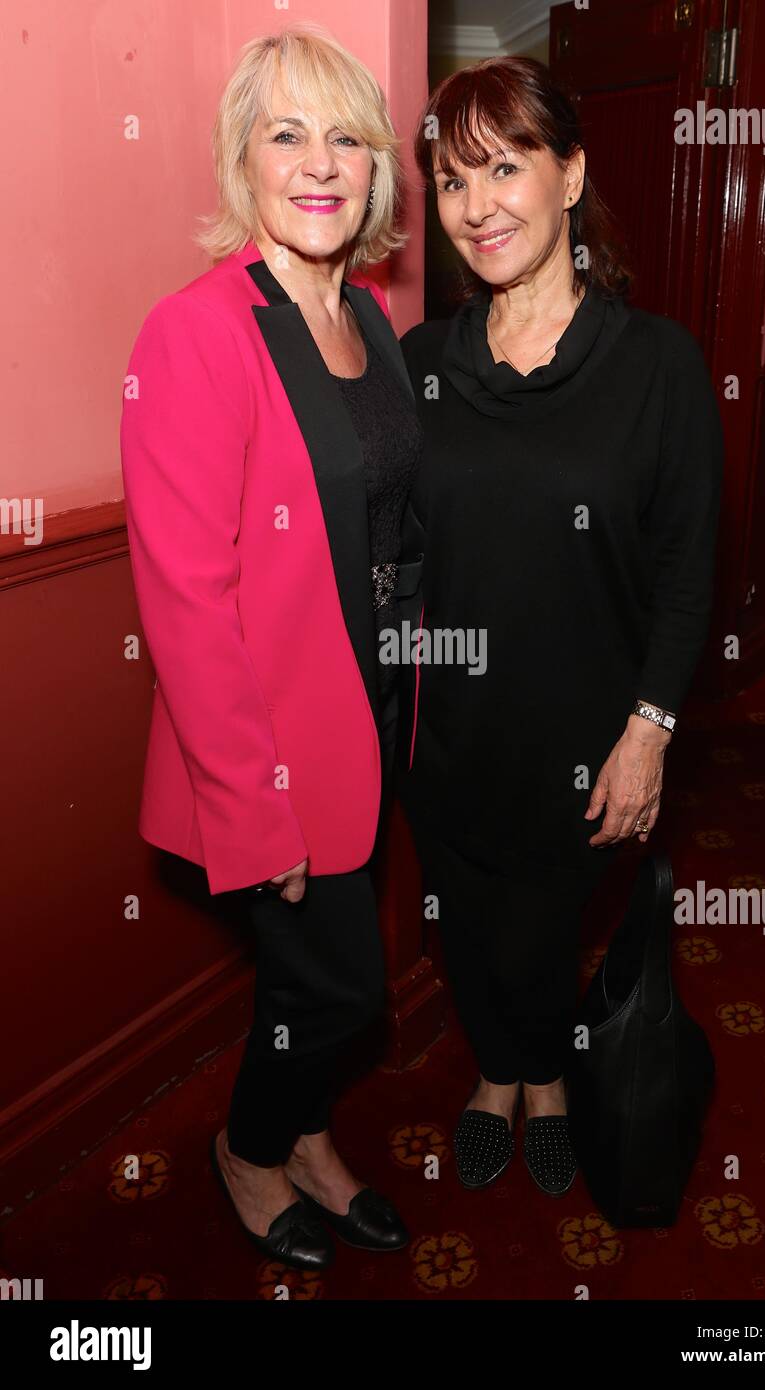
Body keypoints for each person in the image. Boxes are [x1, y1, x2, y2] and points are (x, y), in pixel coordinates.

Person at [120, 25, 422, 1269]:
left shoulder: (367, 316)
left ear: (373, 173)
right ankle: (249, 1150)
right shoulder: (194, 332)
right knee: (343, 993)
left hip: (372, 724)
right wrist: (257, 811)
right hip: (269, 766)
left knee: (317, 990)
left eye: (344, 136)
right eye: (286, 134)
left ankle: (304, 1138)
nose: (319, 163)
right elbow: (187, 602)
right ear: (241, 163)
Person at [397, 57, 724, 1196]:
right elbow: (391, 558)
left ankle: (532, 1077)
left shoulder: (657, 368)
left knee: (537, 932)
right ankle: (500, 1071)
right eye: (449, 180)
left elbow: (689, 573)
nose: (476, 204)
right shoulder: (422, 364)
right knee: (470, 930)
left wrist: (648, 728)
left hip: (585, 745)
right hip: (449, 734)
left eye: (504, 166)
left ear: (570, 173)